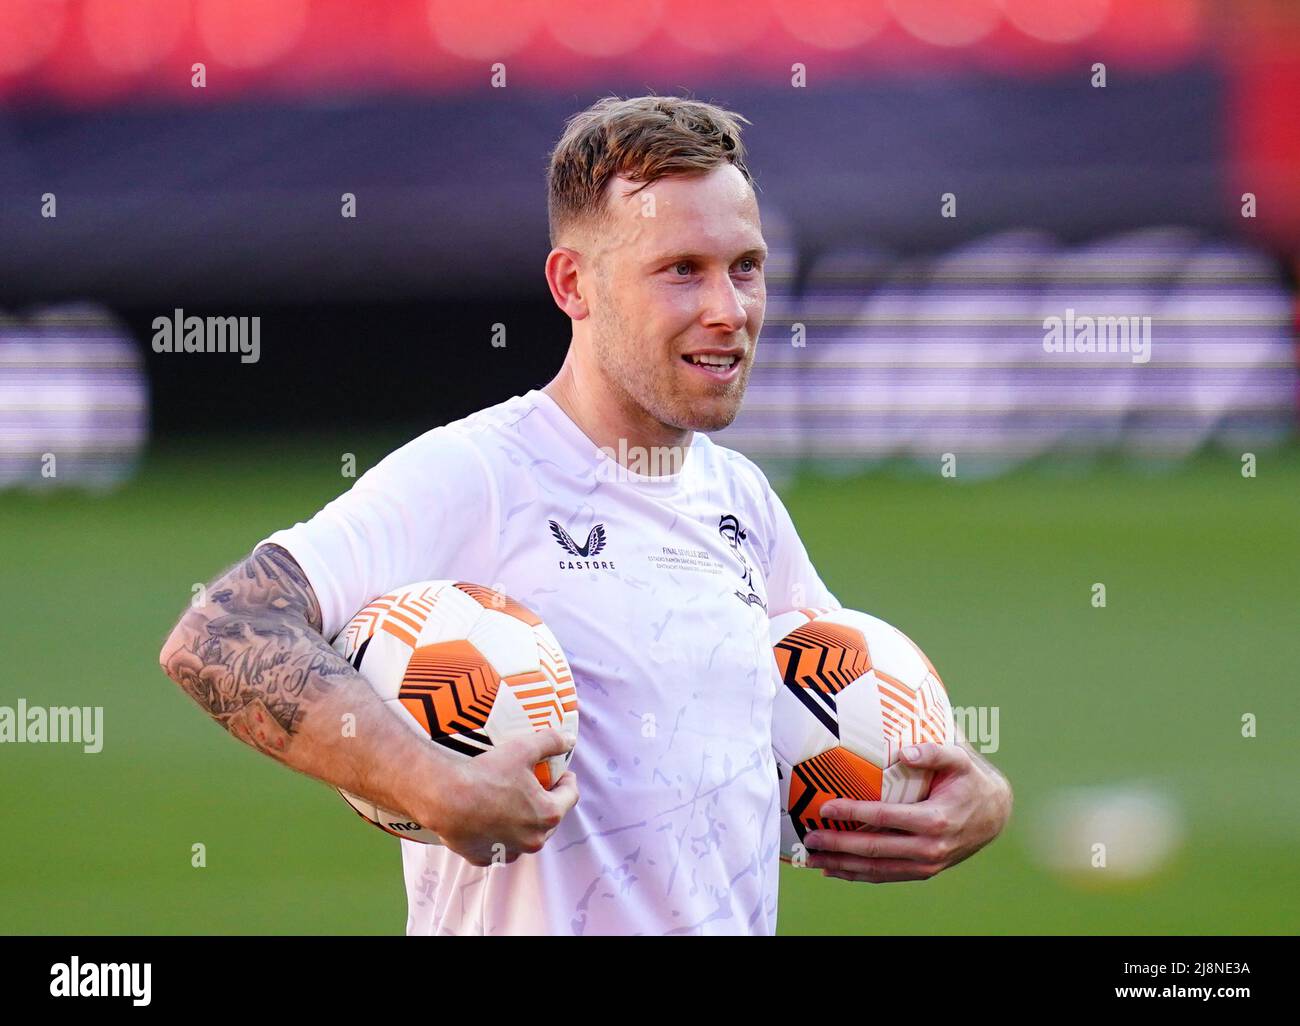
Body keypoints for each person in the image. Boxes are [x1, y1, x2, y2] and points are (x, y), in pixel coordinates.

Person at [159, 94, 1012, 935]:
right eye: (682, 270)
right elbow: (217, 634)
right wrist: (426, 778)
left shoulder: (741, 500)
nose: (730, 310)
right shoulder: (481, 475)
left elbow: (858, 696)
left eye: (744, 266)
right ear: (575, 285)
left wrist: (979, 794)